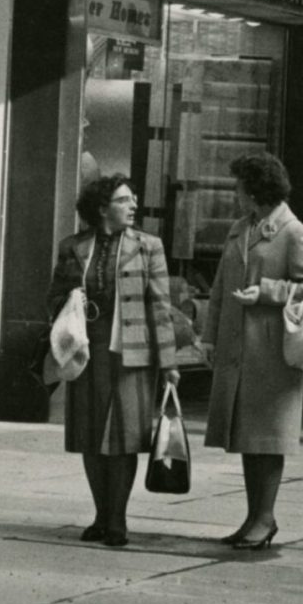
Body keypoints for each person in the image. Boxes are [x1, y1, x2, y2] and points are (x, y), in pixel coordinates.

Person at [46, 174, 179, 548]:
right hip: (86, 352)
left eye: (133, 198)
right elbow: (53, 296)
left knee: (124, 438)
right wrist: (68, 305)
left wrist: (169, 363)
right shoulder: (73, 246)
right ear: (102, 208)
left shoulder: (148, 246)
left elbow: (161, 307)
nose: (133, 205)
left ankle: (117, 519)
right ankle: (100, 515)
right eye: (124, 200)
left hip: (131, 355)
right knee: (90, 436)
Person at [201, 152, 303, 551]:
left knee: (267, 439)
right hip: (238, 349)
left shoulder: (292, 231)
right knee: (247, 438)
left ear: (255, 191)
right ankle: (253, 517)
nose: (235, 194)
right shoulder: (241, 228)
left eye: (239, 187)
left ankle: (265, 518)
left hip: (271, 353)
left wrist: (267, 292)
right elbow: (220, 288)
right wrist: (210, 337)